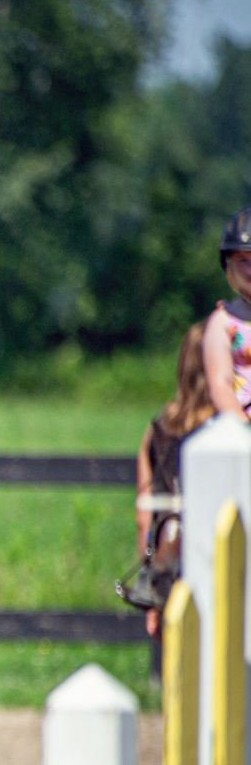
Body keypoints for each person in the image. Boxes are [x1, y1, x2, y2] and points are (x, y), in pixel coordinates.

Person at [127, 322, 214, 638]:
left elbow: (144, 514)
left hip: (171, 566)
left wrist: (152, 589)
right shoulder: (230, 430)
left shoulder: (159, 428)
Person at [200, 205, 251, 423]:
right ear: (228, 264)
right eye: (243, 260)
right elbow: (220, 384)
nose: (250, 269)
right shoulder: (224, 322)